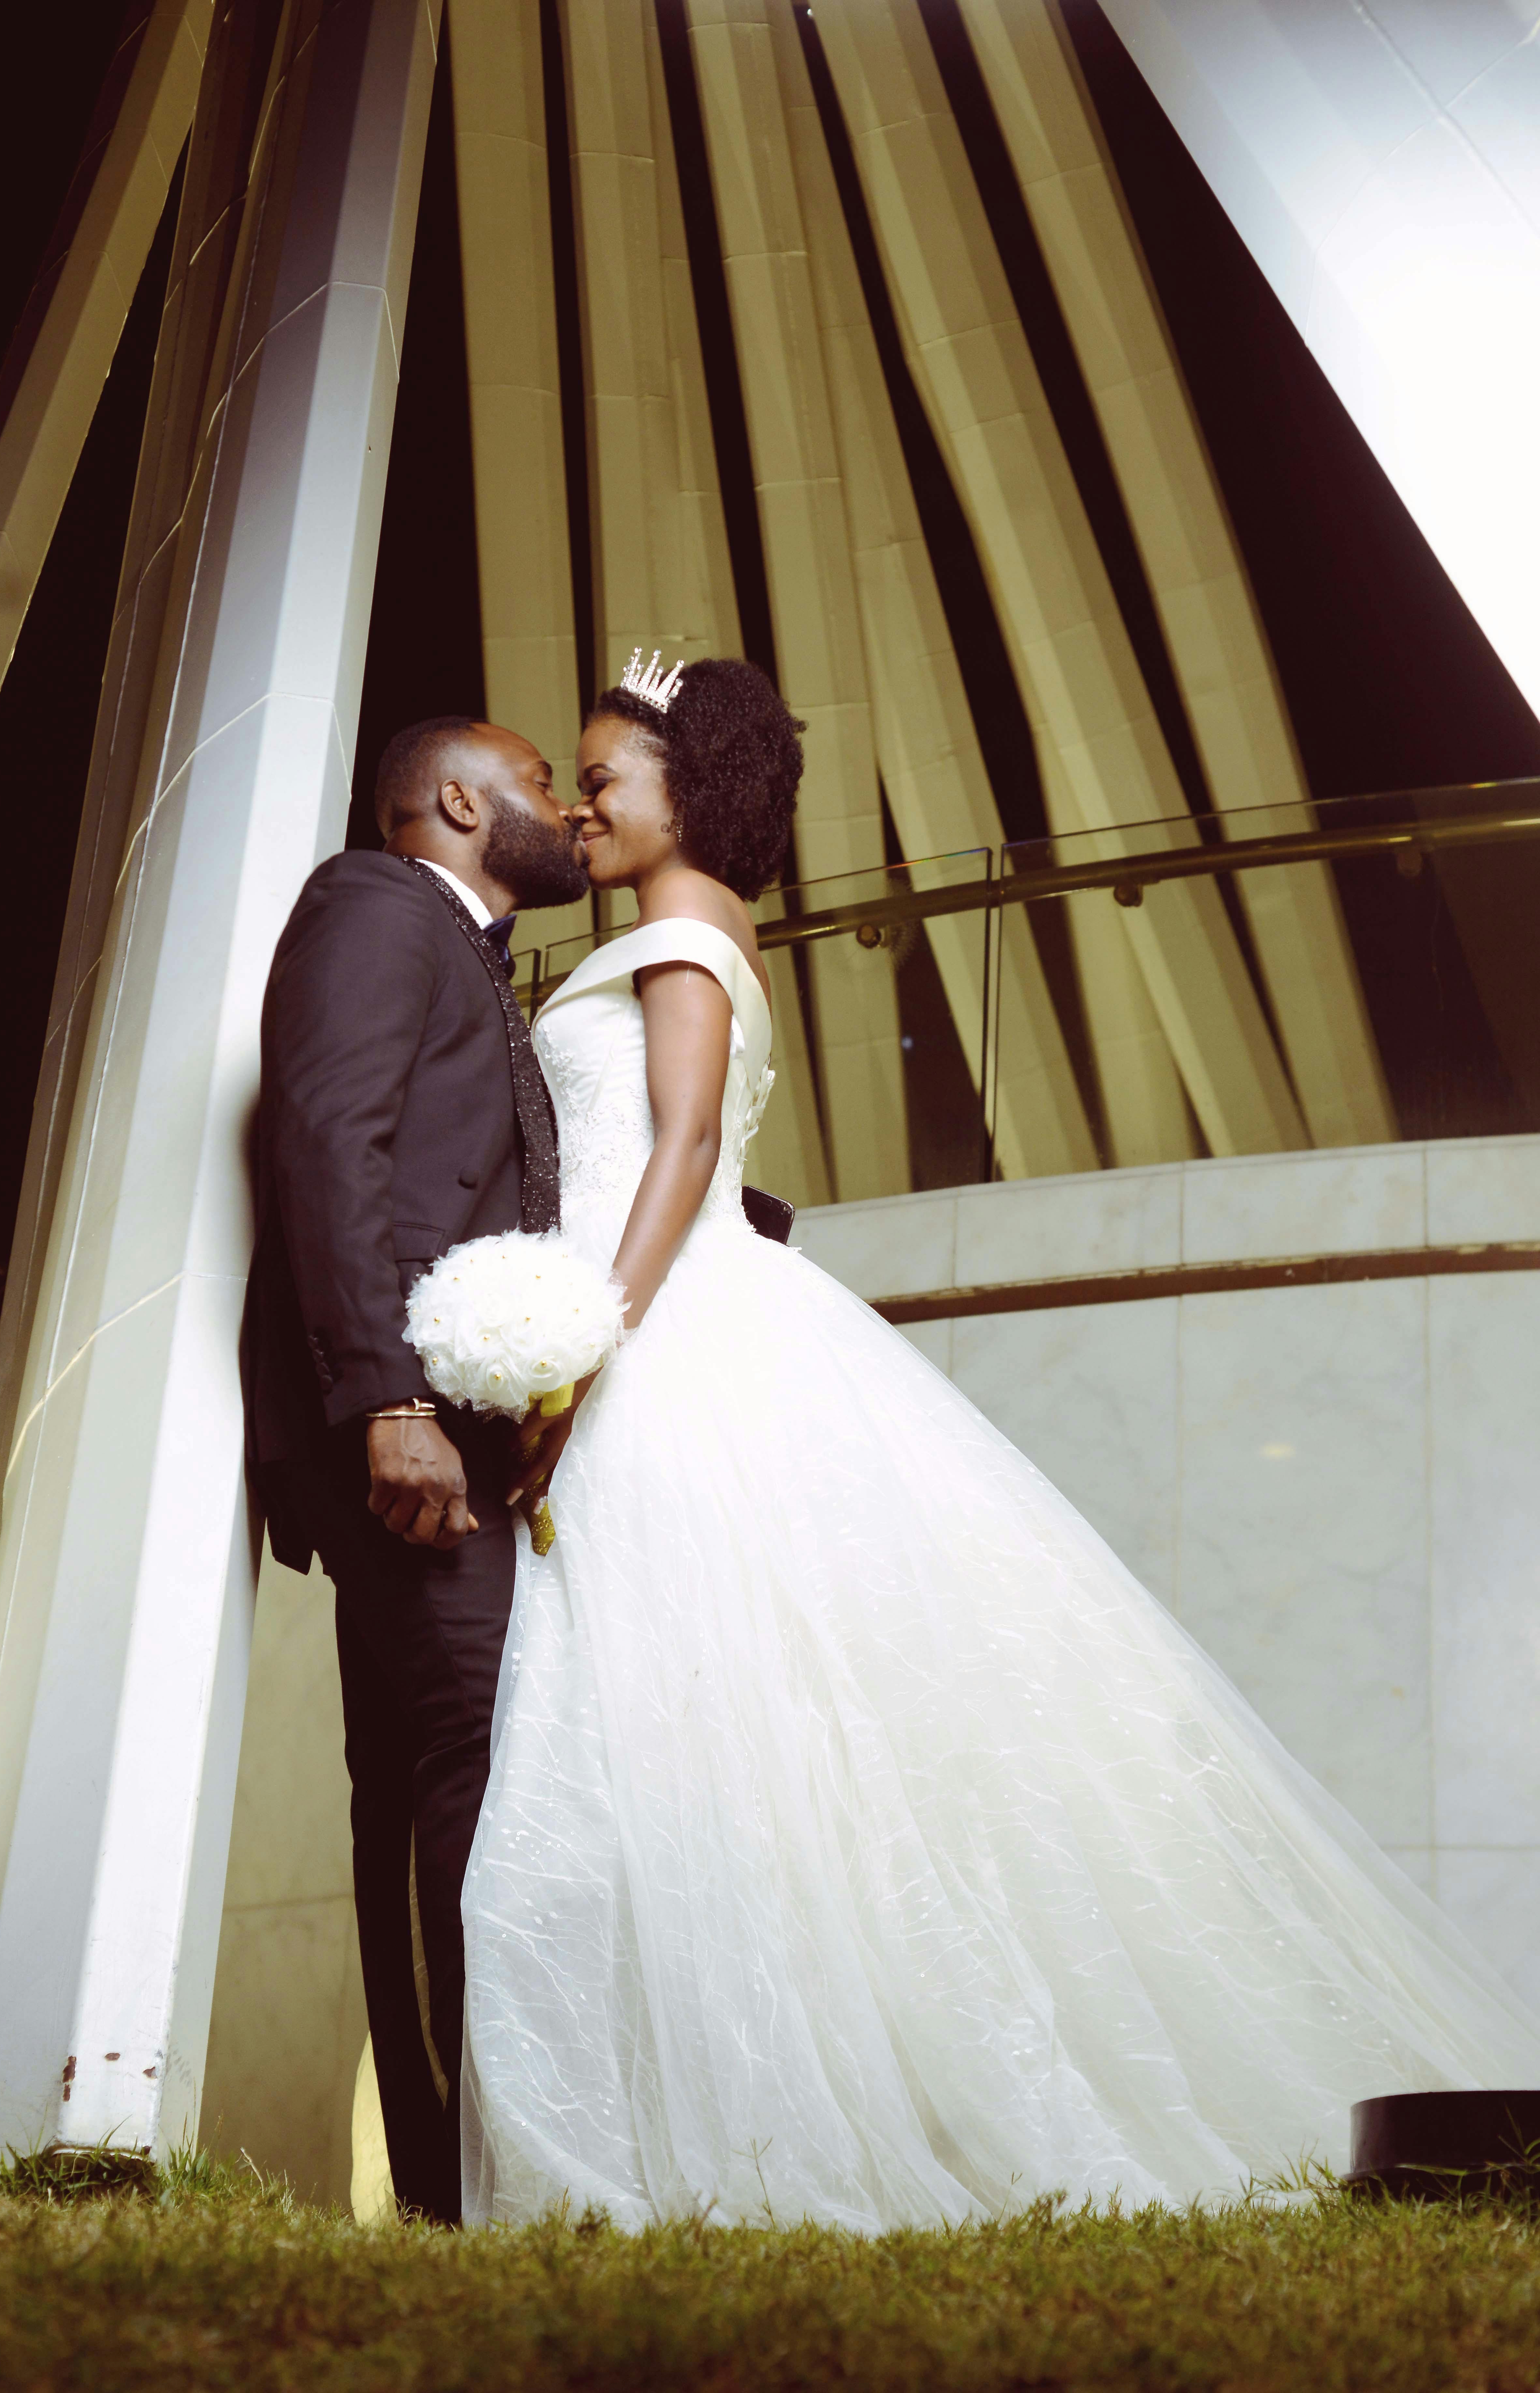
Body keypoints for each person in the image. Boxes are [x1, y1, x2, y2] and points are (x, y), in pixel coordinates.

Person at [460, 654, 1540, 2229]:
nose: (579, 801)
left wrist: (576, 1355)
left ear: (687, 791)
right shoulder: (691, 932)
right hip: (696, 1331)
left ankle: (724, 2132)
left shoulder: (686, 933)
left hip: (669, 1338)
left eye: (603, 775)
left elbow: (684, 1144)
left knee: (682, 1700)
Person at [240, 717, 587, 2223]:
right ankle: (495, 2182)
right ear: (459, 800)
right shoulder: (376, 908)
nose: (569, 810)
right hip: (401, 1439)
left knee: (418, 1784)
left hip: (443, 1434)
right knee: (472, 1775)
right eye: (544, 785)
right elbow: (329, 1136)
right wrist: (387, 1397)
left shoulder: (466, 956)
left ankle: (460, 2190)